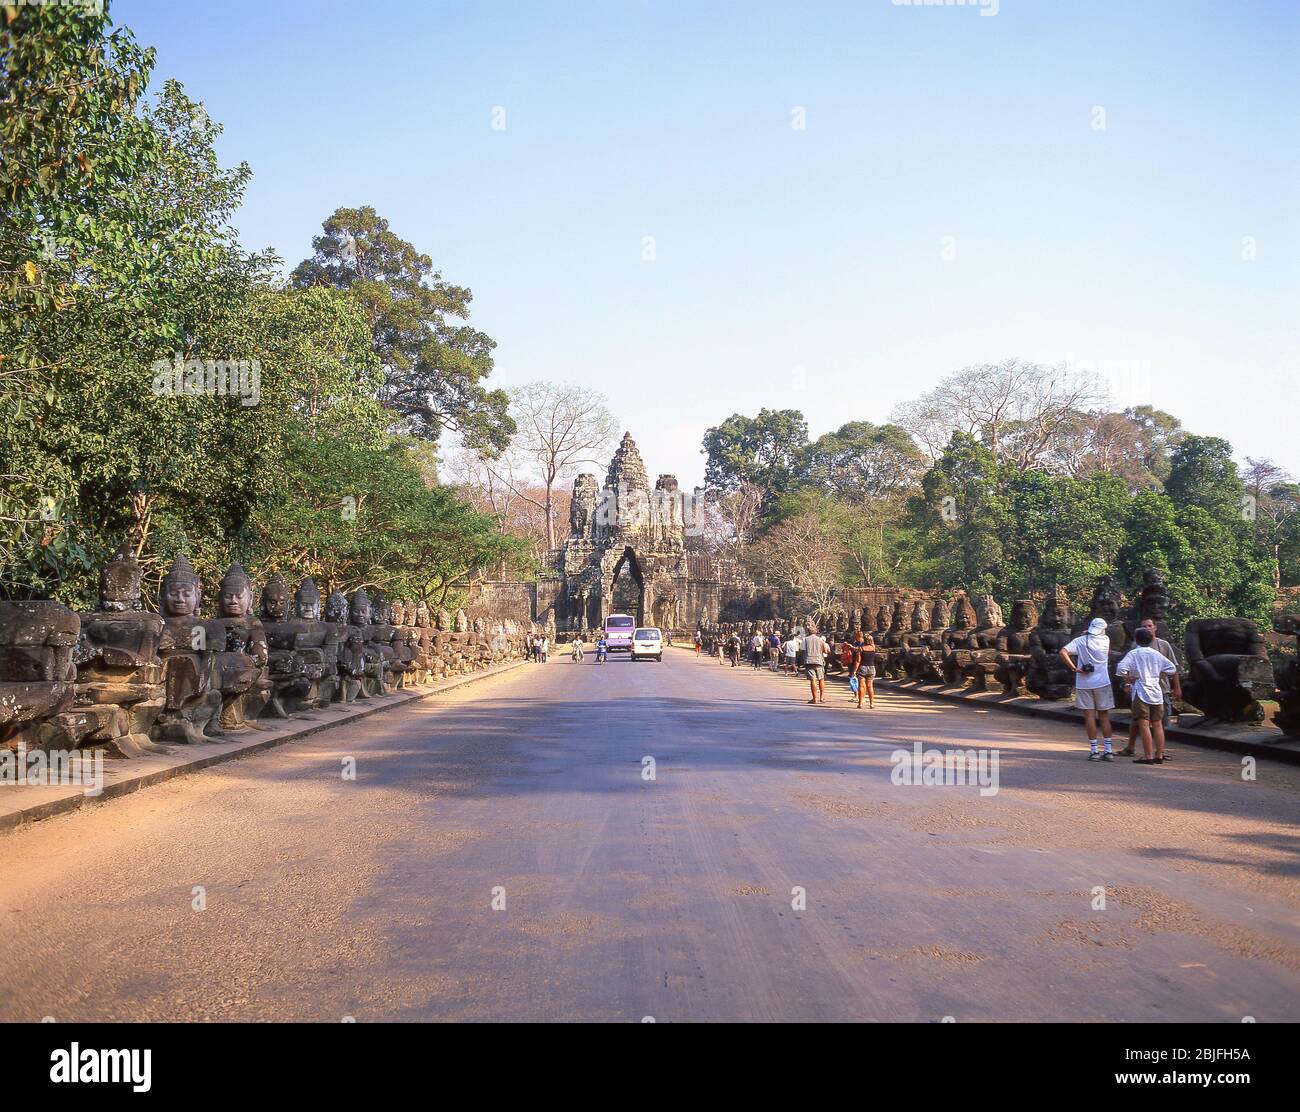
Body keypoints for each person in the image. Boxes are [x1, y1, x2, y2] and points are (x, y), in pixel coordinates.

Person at [1117, 627, 1182, 764]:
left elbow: (1121, 668)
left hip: (1141, 691)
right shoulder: (1156, 654)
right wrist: (1159, 675)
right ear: (1151, 639)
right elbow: (1172, 668)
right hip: (1156, 691)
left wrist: (1128, 678)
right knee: (1157, 724)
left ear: (1136, 639)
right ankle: (1159, 754)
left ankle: (1148, 756)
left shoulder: (1134, 654)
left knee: (1144, 724)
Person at [1059, 617, 1117, 761]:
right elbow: (1099, 635)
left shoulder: (1080, 641)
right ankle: (1108, 750)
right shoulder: (1106, 640)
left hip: (1084, 683)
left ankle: (1094, 750)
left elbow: (1063, 652)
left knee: (1089, 717)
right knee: (1104, 716)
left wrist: (1074, 668)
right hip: (1103, 682)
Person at [849, 629, 877, 709]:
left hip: (862, 668)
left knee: (861, 686)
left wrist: (854, 671)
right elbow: (872, 642)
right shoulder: (873, 648)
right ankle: (872, 704)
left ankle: (860, 703)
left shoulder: (861, 649)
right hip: (872, 668)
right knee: (870, 686)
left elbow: (858, 661)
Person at [802, 626, 830, 705]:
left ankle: (814, 699)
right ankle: (821, 697)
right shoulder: (820, 639)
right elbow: (825, 650)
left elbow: (802, 650)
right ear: (816, 632)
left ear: (808, 632)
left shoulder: (805, 639)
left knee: (813, 680)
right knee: (821, 679)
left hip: (809, 661)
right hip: (819, 661)